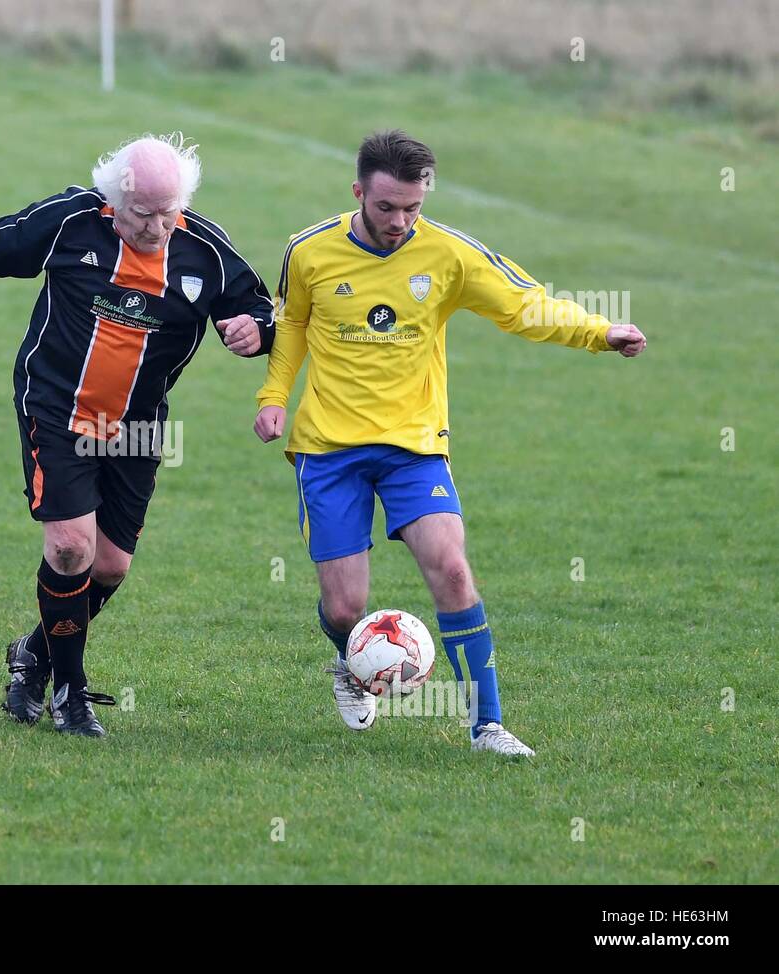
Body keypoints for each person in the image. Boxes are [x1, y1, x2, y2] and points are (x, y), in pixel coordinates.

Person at [254, 129, 647, 756]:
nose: (401, 221)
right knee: (344, 606)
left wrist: (600, 332)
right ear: (359, 192)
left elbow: (525, 307)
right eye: (386, 207)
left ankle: (487, 725)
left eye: (414, 207)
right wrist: (272, 399)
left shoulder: (449, 254)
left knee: (454, 570)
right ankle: (353, 663)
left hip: (414, 445)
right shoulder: (308, 251)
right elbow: (293, 320)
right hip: (329, 448)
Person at [0, 133, 274, 737]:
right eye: (143, 215)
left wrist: (255, 332)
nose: (158, 226)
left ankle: (34, 654)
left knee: (109, 566)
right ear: (115, 200)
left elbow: (259, 309)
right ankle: (71, 694)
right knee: (69, 550)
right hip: (57, 408)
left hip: (136, 425)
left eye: (169, 213)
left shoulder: (205, 251)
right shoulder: (71, 223)